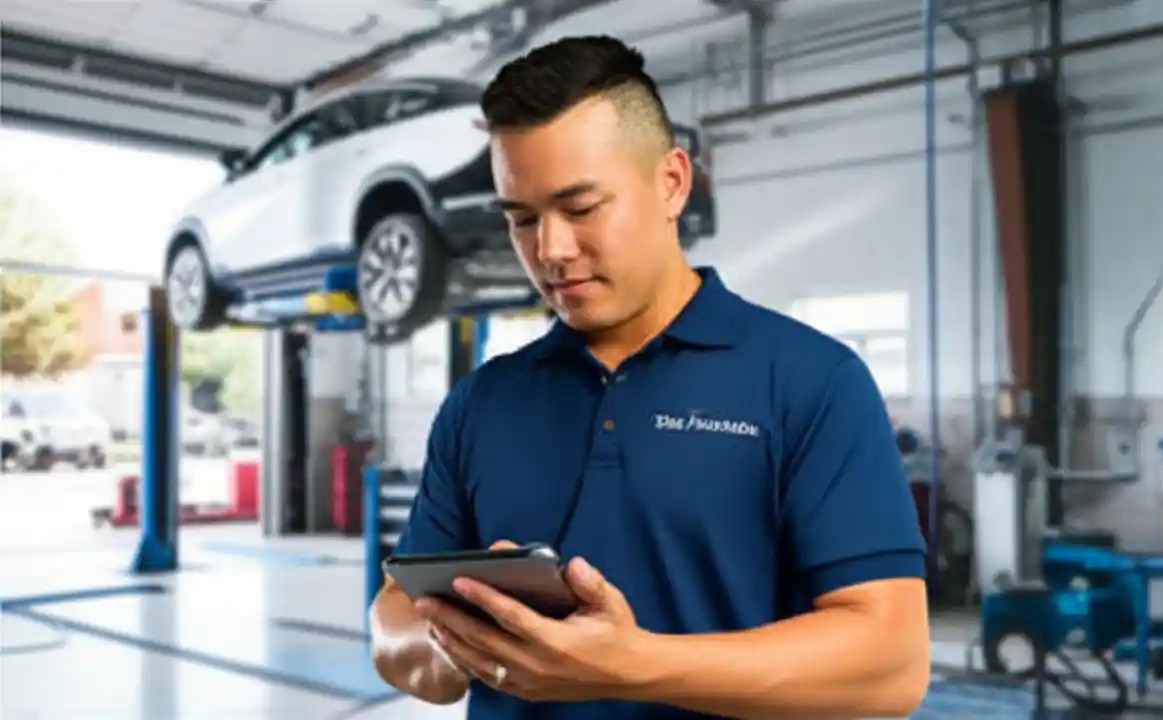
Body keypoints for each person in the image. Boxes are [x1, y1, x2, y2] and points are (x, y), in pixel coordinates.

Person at [369, 34, 930, 720]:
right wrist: (458, 648)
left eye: (580, 208)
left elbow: (891, 665)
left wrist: (631, 667)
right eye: (522, 218)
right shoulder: (483, 403)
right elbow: (395, 614)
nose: (550, 250)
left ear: (672, 182)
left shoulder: (811, 382)